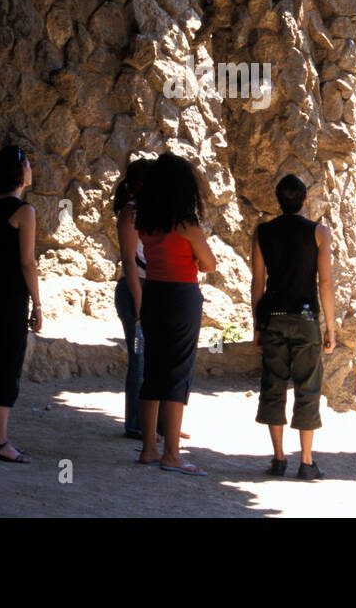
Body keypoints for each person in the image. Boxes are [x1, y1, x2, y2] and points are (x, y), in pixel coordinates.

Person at [134, 152, 216, 475]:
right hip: (182, 297)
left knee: (152, 372)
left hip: (152, 294)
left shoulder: (146, 223)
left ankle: (149, 449)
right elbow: (209, 264)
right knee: (178, 373)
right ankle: (172, 454)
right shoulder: (187, 225)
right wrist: (193, 260)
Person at [250, 173, 336, 480]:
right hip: (305, 319)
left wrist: (257, 325)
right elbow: (325, 283)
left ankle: (278, 459)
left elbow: (257, 283)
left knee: (273, 385)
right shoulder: (319, 233)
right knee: (308, 387)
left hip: (272, 317)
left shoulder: (262, 233)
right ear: (305, 200)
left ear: (278, 200)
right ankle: (307, 462)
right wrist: (330, 328)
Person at [0, 144, 43, 462]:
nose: (31, 168)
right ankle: (0, 441)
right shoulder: (24, 211)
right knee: (7, 365)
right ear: (18, 172)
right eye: (27, 163)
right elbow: (28, 263)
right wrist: (39, 305)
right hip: (11, 299)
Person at [113, 157, 153, 439]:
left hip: (147, 288)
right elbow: (129, 260)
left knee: (151, 360)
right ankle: (135, 423)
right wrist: (139, 302)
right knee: (139, 358)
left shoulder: (147, 211)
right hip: (134, 289)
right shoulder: (129, 213)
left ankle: (153, 422)